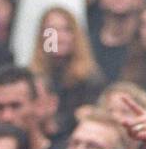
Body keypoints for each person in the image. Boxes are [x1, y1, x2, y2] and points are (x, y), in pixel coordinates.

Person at [29, 7, 105, 136]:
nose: (59, 37)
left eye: (66, 30)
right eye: (51, 30)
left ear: (75, 35)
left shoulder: (90, 79)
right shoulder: (31, 78)